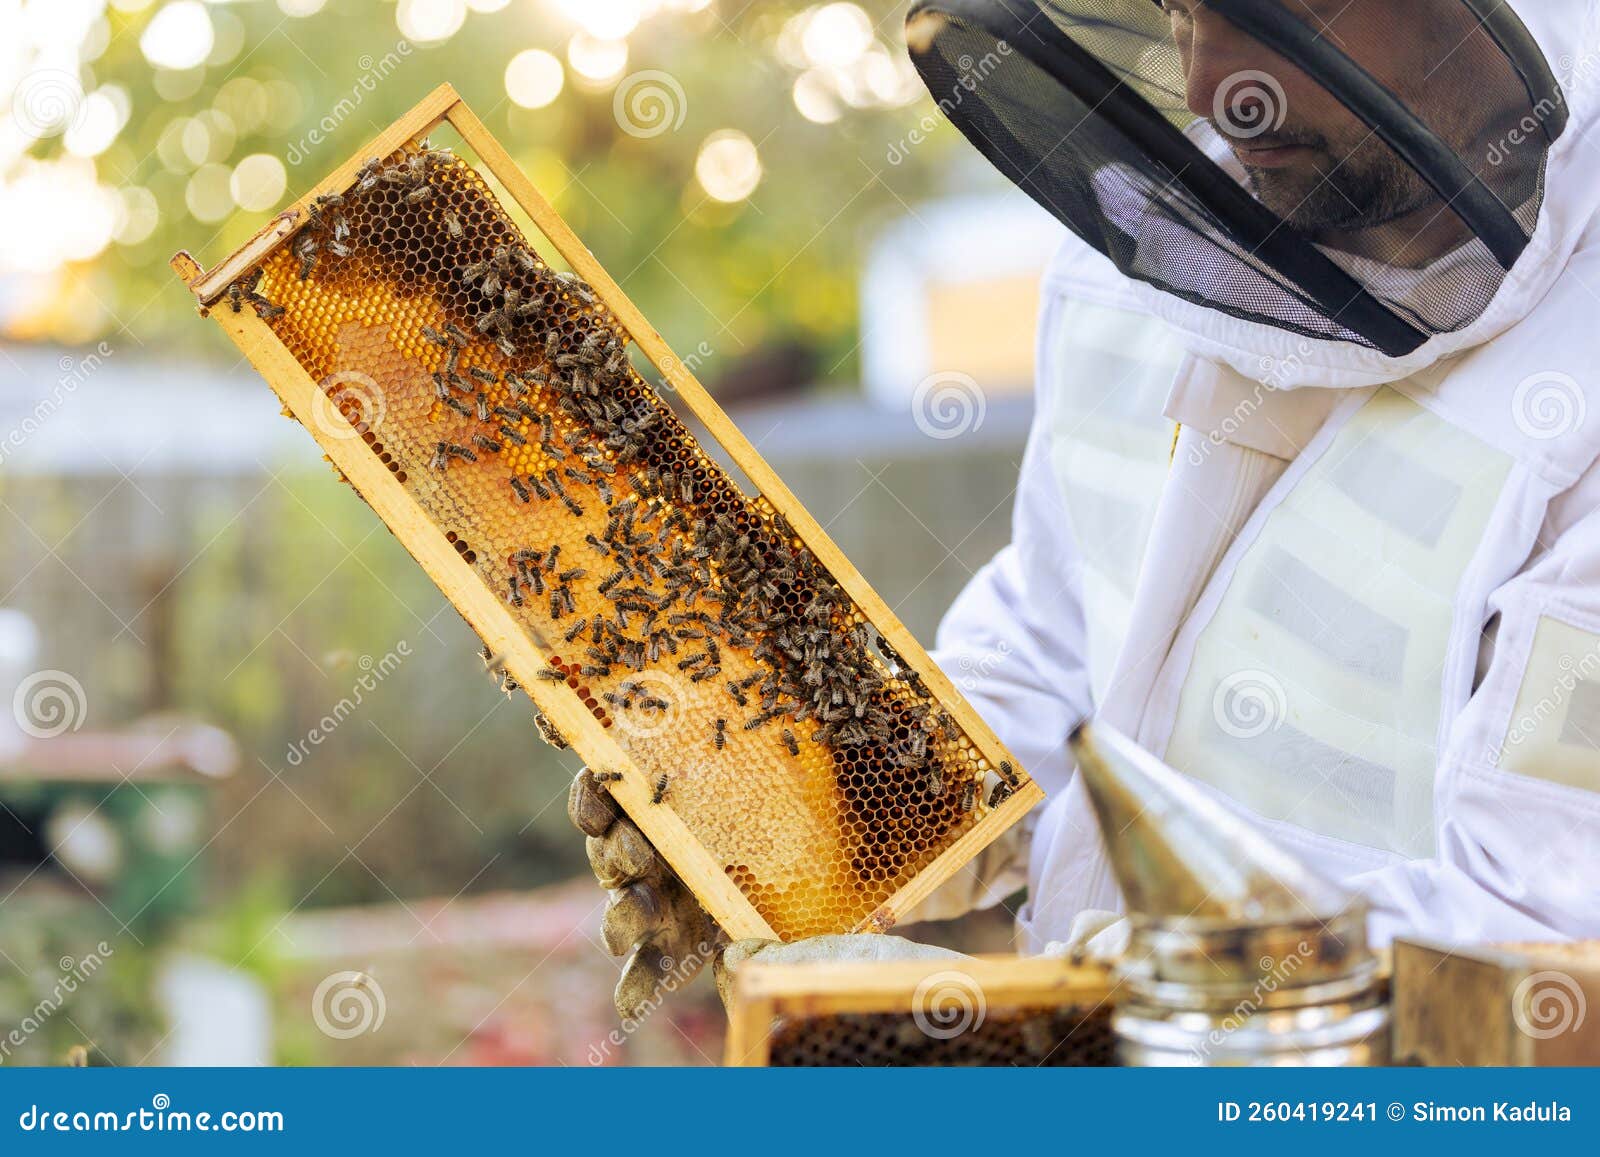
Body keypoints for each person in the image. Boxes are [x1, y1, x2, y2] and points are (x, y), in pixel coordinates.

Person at [571, 0, 1600, 1018]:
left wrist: (1094, 1005)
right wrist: (812, 815)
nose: (1211, 85)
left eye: (1269, 13)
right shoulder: (1139, 259)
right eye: (1181, 11)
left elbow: (1534, 938)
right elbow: (1052, 642)